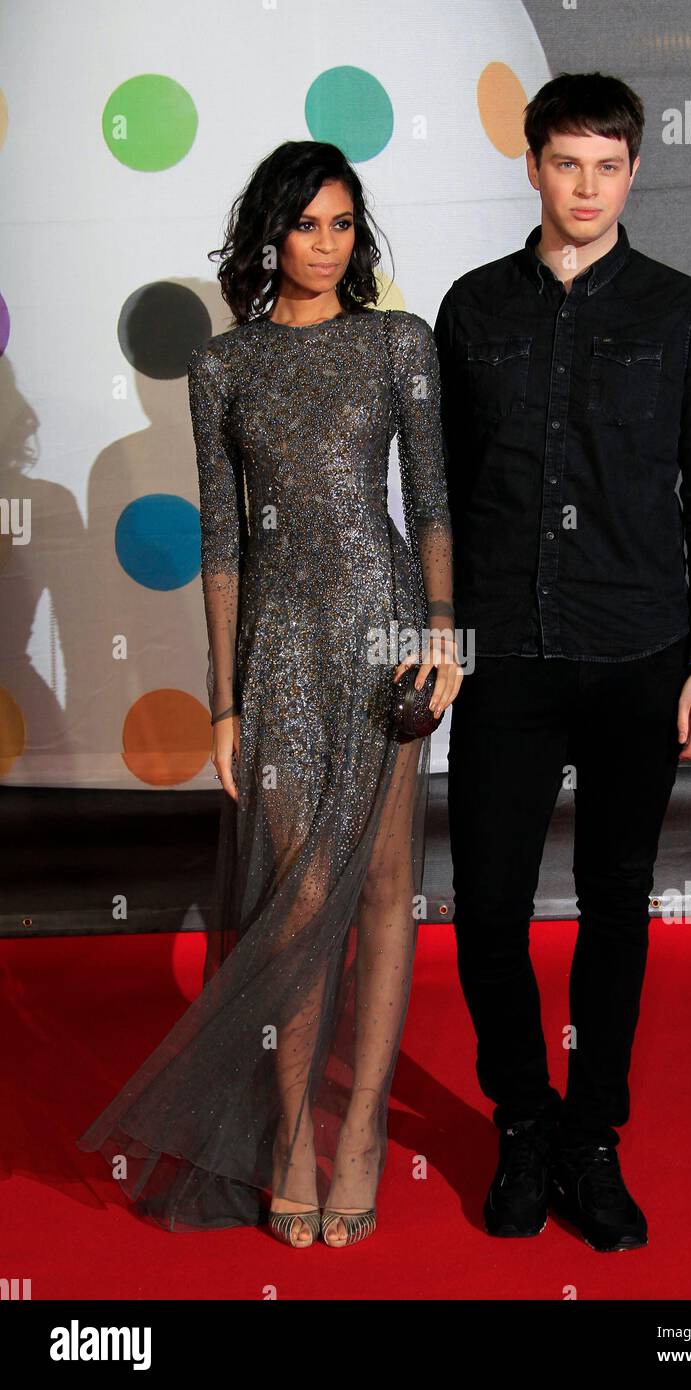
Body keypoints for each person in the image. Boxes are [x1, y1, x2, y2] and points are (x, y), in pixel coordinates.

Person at [77, 140, 462, 1249]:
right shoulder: (223, 366)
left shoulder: (400, 342)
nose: (325, 245)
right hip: (282, 649)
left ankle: (360, 1142)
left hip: (391, 635)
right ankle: (287, 1135)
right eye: (306, 225)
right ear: (270, 233)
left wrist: (445, 642)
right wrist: (225, 703)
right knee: (298, 902)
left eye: (343, 224)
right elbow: (224, 546)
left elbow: (431, 504)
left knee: (386, 888)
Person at [434, 72, 691, 1251]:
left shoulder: (680, 312)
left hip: (637, 654)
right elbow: (440, 501)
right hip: (505, 659)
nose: (583, 186)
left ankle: (592, 1137)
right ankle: (521, 1119)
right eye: (563, 162)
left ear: (633, 172)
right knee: (485, 909)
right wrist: (439, 632)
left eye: (605, 165)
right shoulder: (470, 311)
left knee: (617, 906)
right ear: (530, 165)